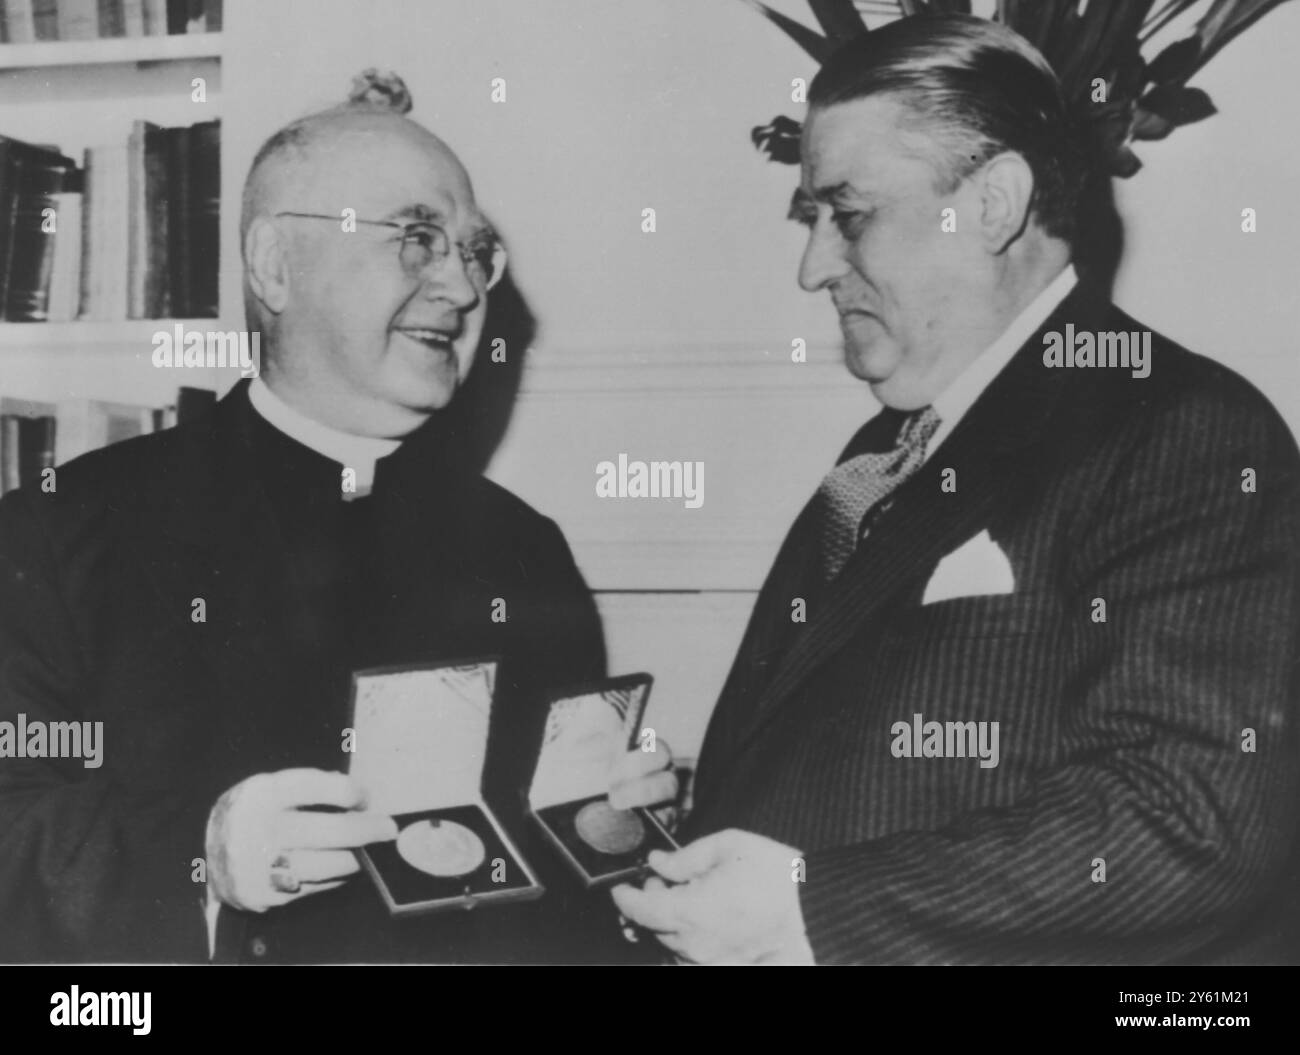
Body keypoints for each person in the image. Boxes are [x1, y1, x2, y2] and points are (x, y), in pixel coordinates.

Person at [614, 15, 1300, 965]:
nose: (811, 267)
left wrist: (813, 913)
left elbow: (1192, 811)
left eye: (848, 215)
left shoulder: (1185, 427)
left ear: (994, 204)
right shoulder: (882, 450)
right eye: (809, 219)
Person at [0, 72, 670, 963]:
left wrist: (615, 852)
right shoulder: (55, 533)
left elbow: (543, 896)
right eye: (418, 238)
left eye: (476, 253)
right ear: (275, 264)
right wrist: (200, 864)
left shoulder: (524, 550)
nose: (464, 290)